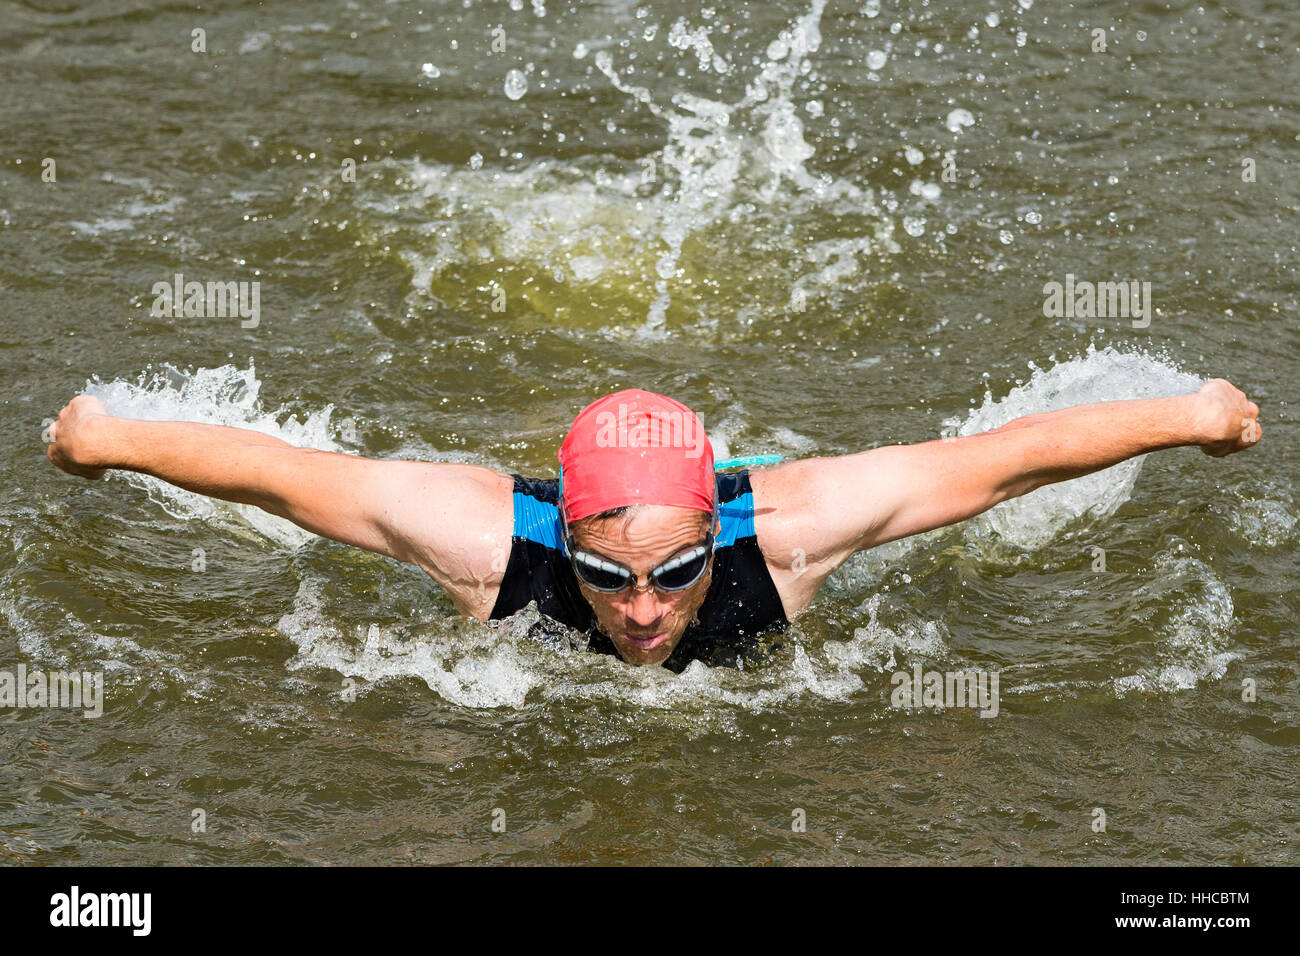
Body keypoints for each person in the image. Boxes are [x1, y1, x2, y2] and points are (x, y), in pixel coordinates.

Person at [45, 379, 1262, 670]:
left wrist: (1189, 414)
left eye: (676, 575)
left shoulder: (790, 526)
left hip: (744, 478)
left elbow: (1004, 463)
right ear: (558, 542)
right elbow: (280, 474)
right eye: (603, 575)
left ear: (714, 538)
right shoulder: (483, 541)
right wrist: (106, 436)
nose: (639, 610)